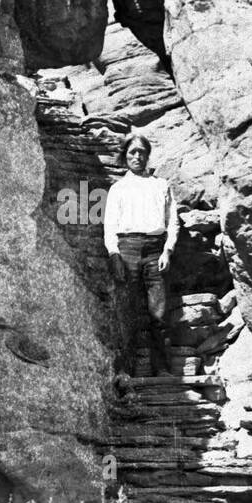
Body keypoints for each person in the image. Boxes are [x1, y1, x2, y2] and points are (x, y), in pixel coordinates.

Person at [104, 133, 180, 377]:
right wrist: (114, 254)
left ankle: (162, 368)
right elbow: (110, 225)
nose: (136, 156)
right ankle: (129, 370)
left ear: (147, 155)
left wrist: (168, 250)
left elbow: (173, 222)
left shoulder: (161, 185)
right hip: (127, 249)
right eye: (132, 152)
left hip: (155, 250)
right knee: (127, 311)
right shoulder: (118, 189)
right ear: (125, 156)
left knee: (158, 312)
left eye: (141, 152)